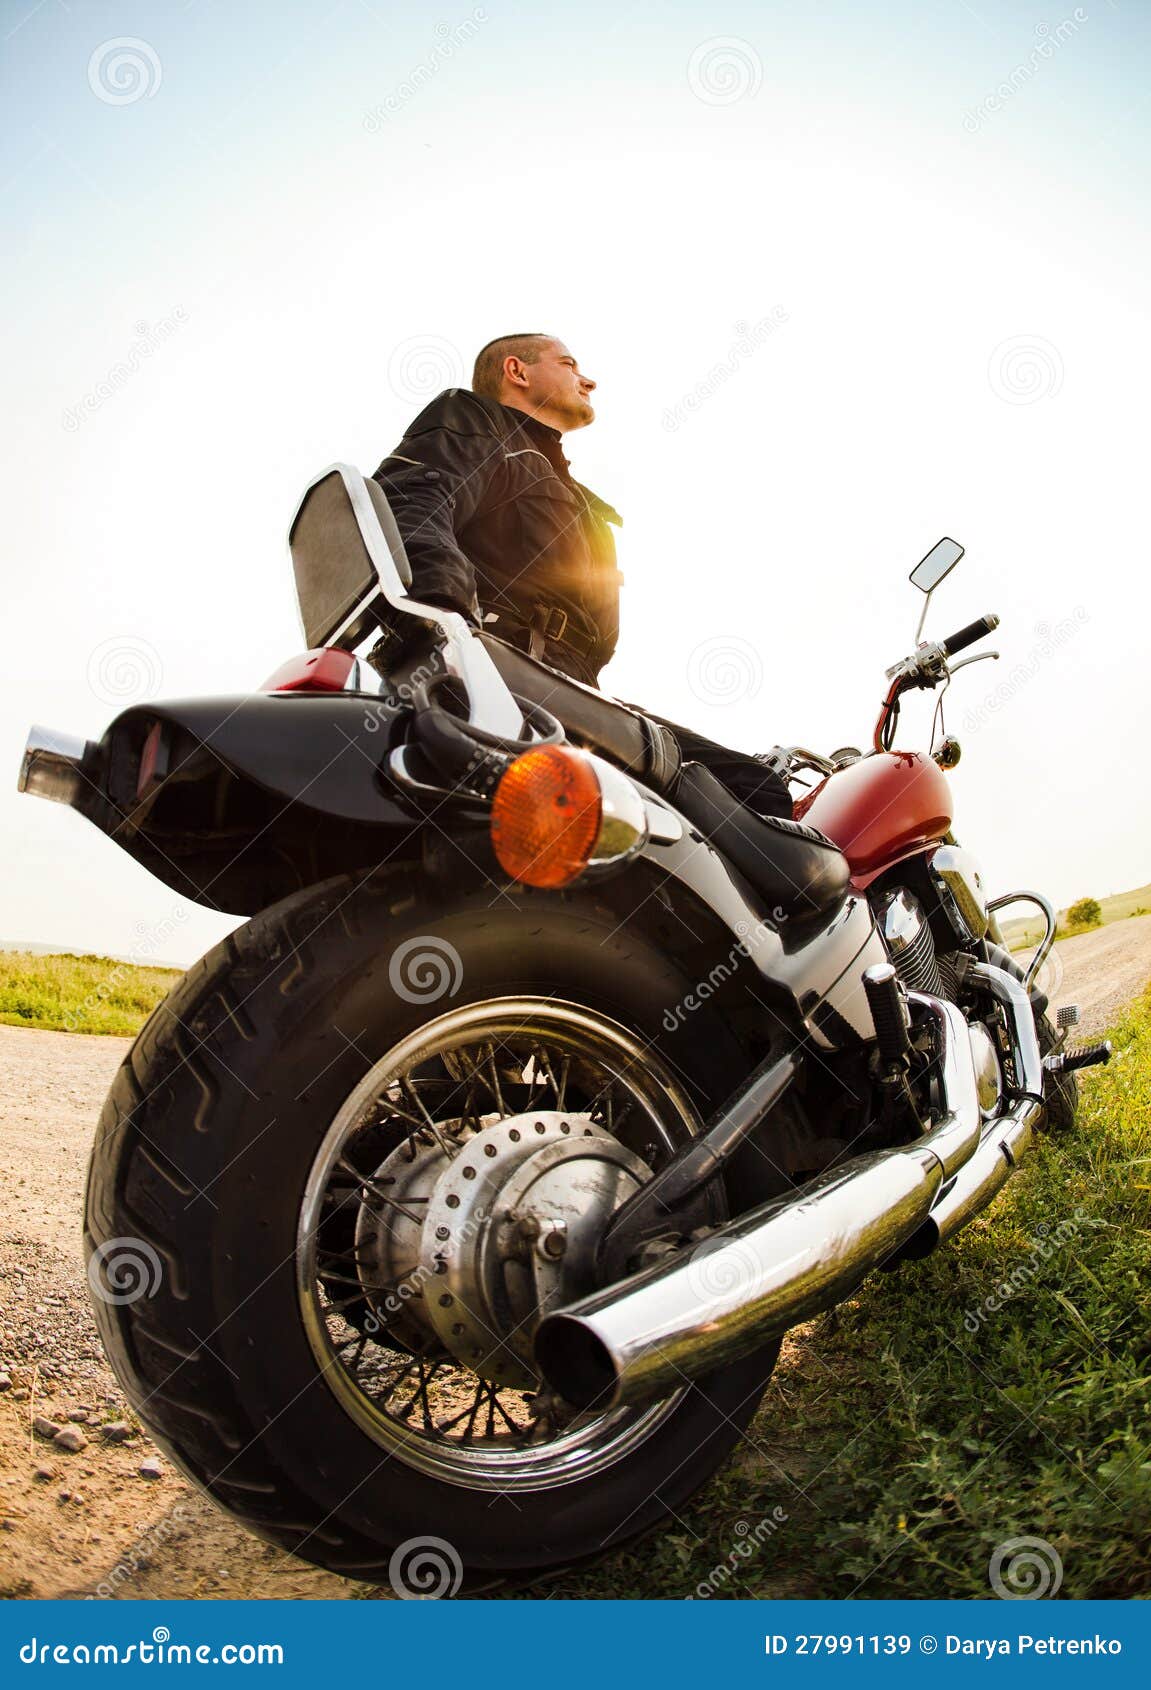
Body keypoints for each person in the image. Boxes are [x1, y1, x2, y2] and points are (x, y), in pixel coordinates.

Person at [373, 333, 791, 819]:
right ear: (518, 372)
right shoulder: (478, 425)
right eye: (569, 364)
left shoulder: (580, 499)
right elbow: (410, 503)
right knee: (753, 787)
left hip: (573, 688)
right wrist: (447, 628)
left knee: (753, 788)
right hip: (500, 669)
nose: (588, 380)